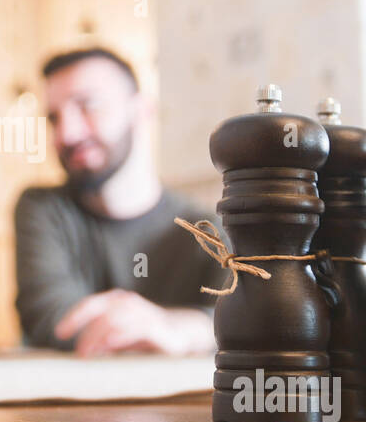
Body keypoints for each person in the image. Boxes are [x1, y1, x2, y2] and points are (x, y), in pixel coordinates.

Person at [13, 47, 224, 357]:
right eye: (54, 118)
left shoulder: (207, 230)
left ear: (142, 110)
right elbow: (50, 317)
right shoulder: (42, 209)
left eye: (89, 105)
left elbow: (247, 319)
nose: (66, 134)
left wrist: (182, 328)